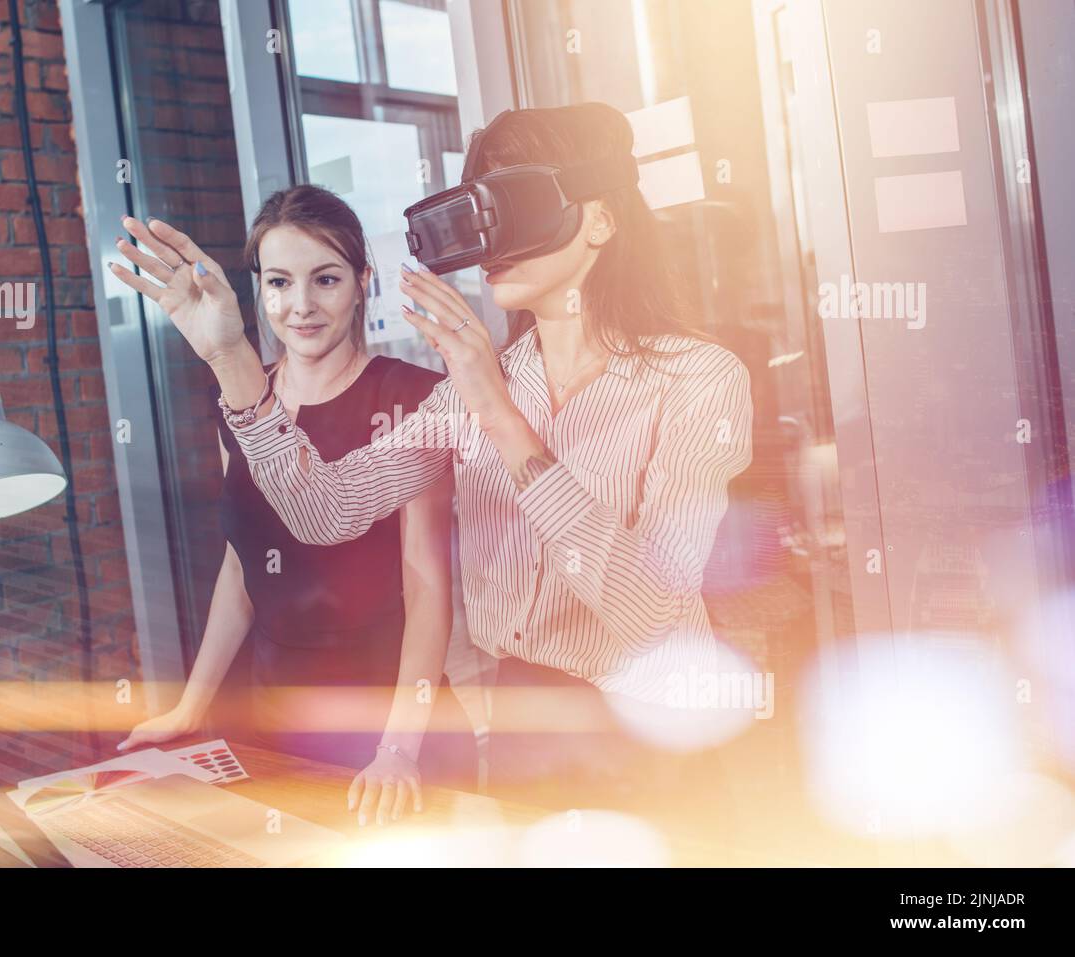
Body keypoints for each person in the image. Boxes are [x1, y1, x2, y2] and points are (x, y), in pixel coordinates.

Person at [114, 103, 754, 816]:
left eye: (514, 207)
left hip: (656, 729)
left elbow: (654, 617)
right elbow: (326, 511)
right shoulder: (476, 386)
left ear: (599, 220)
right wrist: (230, 356)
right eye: (482, 216)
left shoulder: (698, 380)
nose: (491, 245)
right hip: (522, 727)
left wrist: (502, 420)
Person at [112, 185, 475, 826]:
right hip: (274, 720)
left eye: (326, 279)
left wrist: (397, 749)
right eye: (279, 282)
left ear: (362, 284)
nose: (300, 305)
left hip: (392, 727)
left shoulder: (414, 397)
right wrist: (193, 705)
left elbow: (427, 591)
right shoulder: (242, 402)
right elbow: (242, 567)